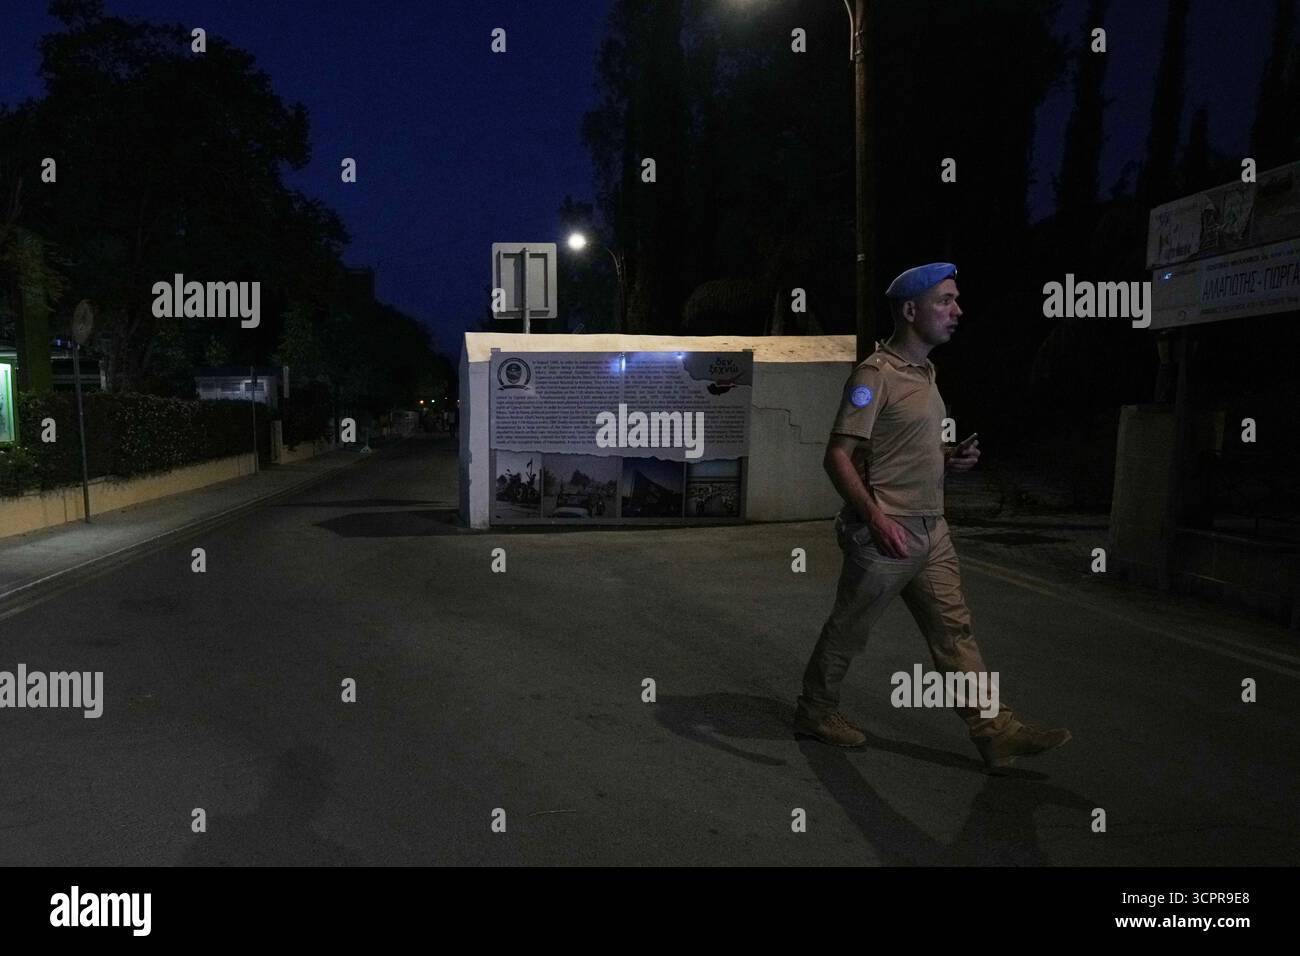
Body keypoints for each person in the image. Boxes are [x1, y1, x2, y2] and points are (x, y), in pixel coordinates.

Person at [793, 262, 1071, 770]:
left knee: (954, 634)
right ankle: (815, 711)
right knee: (849, 629)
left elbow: (897, 448)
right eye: (945, 300)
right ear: (909, 310)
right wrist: (877, 521)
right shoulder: (874, 376)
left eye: (955, 300)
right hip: (886, 534)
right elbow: (836, 455)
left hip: (932, 530)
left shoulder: (926, 373)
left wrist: (948, 458)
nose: (957, 310)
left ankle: (995, 731)